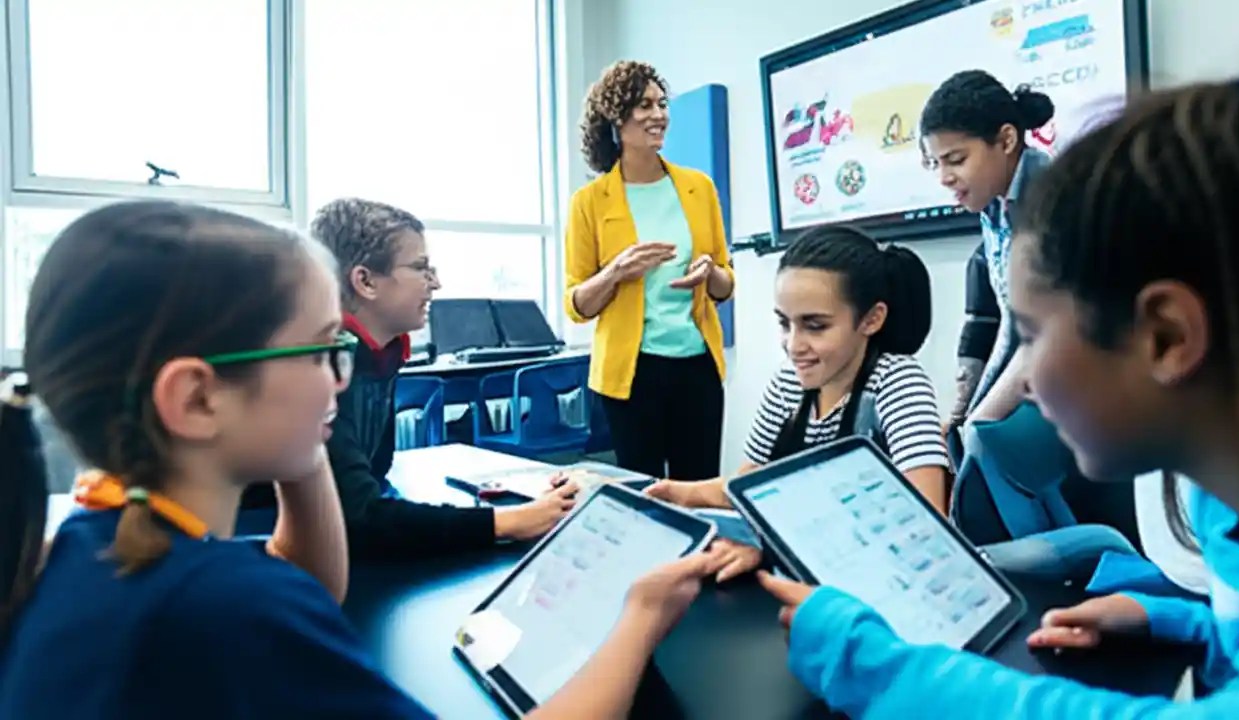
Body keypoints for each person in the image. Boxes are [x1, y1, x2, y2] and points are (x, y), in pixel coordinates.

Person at [0, 201, 720, 719]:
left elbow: (310, 576)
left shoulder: (88, 550)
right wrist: (639, 618)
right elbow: (285, 594)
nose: (341, 376)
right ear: (195, 398)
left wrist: (305, 440)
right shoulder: (226, 610)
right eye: (319, 351)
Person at [757, 69, 1239, 717]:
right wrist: (1176, 618)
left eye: (1034, 335)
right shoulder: (1238, 514)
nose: (1026, 377)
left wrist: (865, 662)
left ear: (1167, 335)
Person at [243, 198, 574, 560]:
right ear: (365, 281)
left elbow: (372, 475)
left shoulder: (381, 353)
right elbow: (356, 518)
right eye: (421, 268)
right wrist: (507, 521)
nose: (436, 283)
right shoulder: (317, 367)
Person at [648, 227, 950, 580]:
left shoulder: (897, 381)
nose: (793, 345)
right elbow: (752, 482)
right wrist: (678, 494)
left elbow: (928, 525)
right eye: (784, 323)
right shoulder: (789, 382)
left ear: (871, 319)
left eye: (815, 326)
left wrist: (770, 547)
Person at [565, 60, 734, 480]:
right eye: (644, 105)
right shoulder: (590, 201)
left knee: (698, 488)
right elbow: (577, 304)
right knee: (642, 494)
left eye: (661, 103)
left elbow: (726, 283)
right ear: (616, 119)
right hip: (631, 373)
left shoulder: (699, 189)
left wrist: (709, 271)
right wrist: (616, 272)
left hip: (697, 366)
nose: (658, 115)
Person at [918, 69, 1054, 428]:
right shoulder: (996, 206)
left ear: (1006, 140)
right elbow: (1007, 327)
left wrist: (978, 423)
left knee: (992, 445)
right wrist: (963, 415)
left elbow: (1045, 338)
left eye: (956, 160)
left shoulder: (1053, 201)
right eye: (936, 163)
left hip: (1077, 377)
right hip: (1037, 371)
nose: (943, 178)